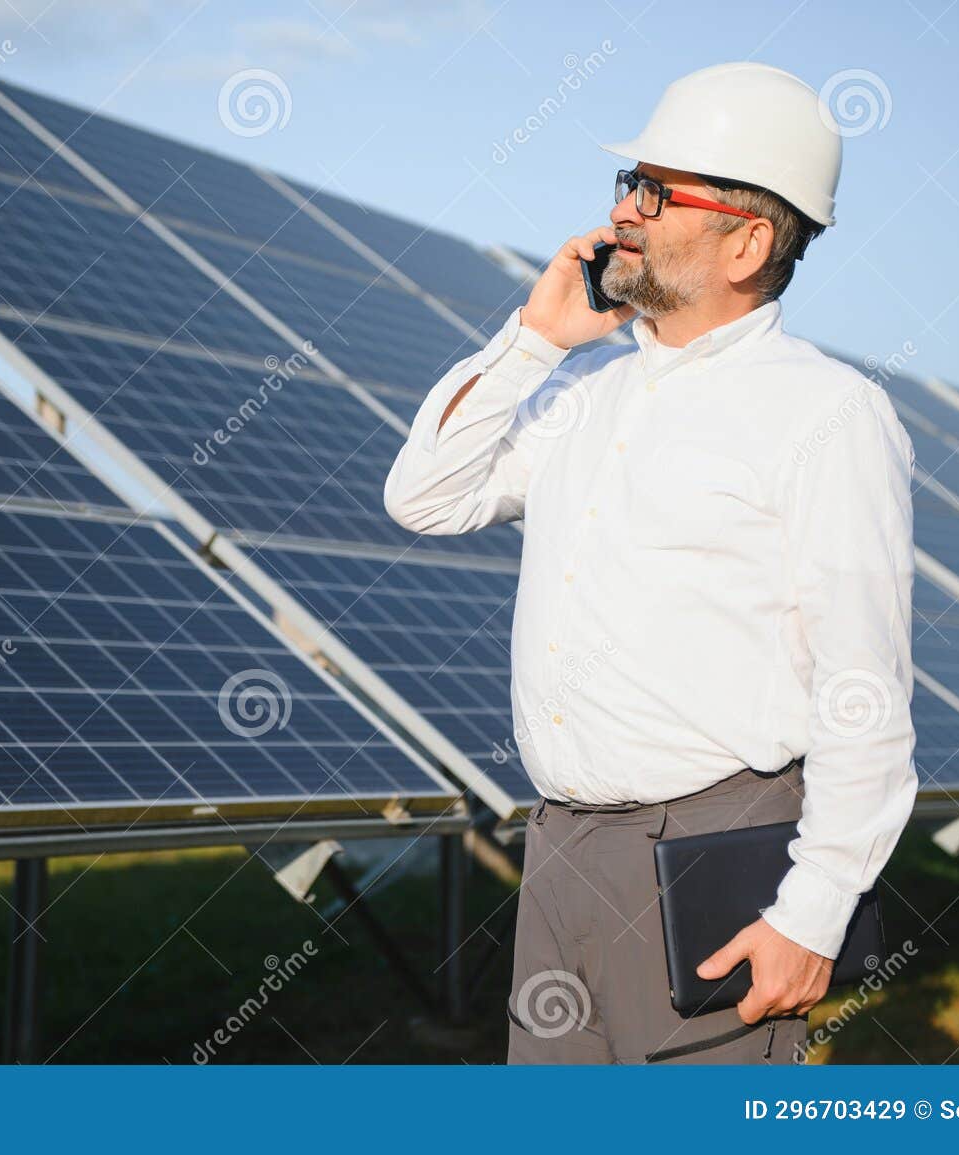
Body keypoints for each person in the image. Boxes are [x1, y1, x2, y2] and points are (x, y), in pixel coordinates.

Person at [384, 62, 918, 1064]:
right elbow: (424, 497)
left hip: (714, 860)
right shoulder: (582, 394)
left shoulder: (827, 413)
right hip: (558, 854)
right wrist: (536, 340)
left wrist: (812, 914)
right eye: (630, 183)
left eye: (659, 193)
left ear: (747, 242)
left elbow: (864, 691)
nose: (624, 211)